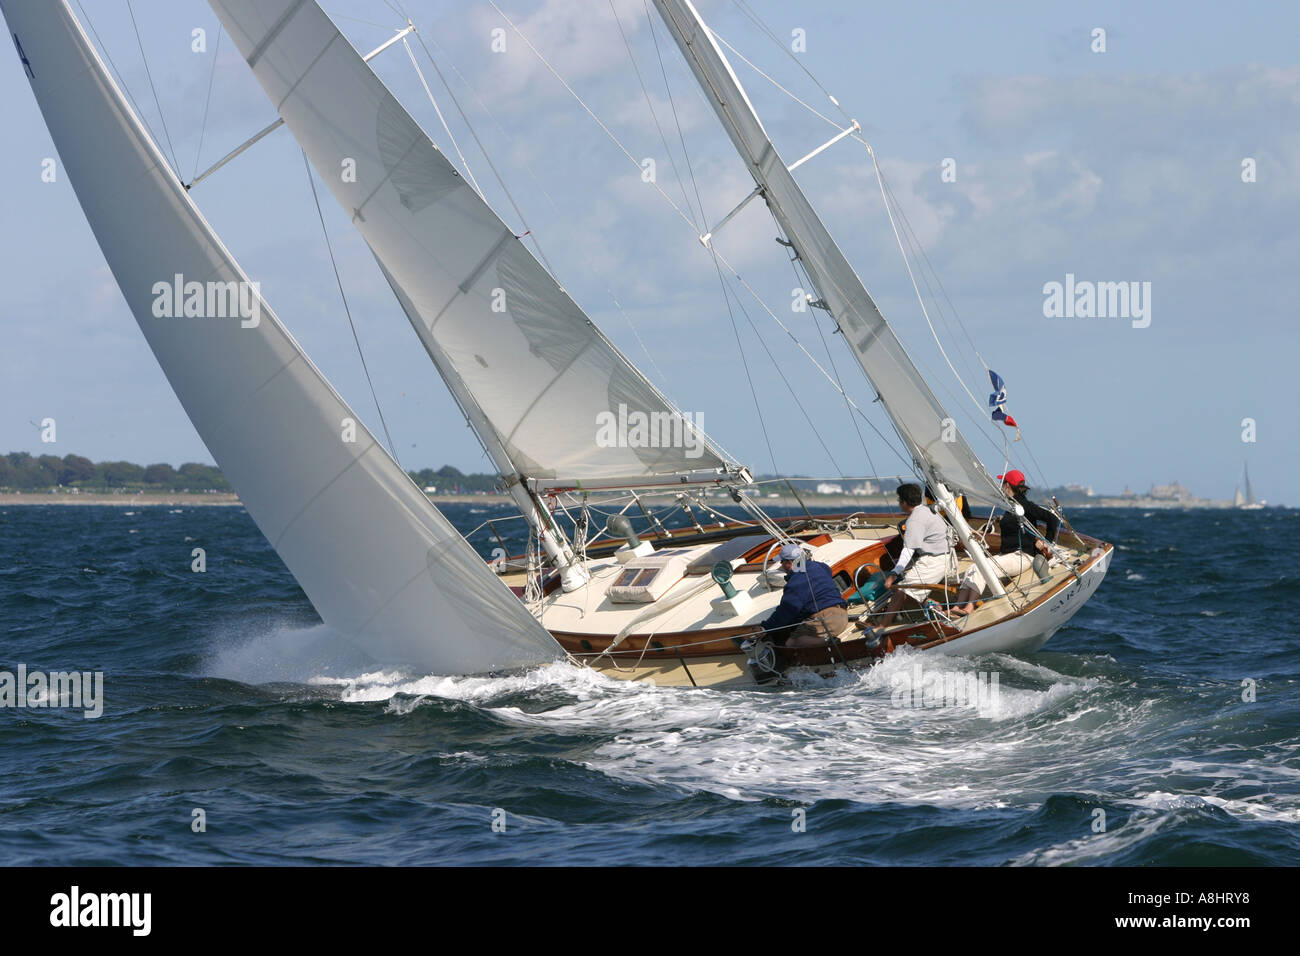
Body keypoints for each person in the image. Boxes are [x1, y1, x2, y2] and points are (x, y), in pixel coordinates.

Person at [951, 469, 1059, 616]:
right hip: (1010, 555)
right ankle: (957, 607)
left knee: (982, 569)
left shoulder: (1024, 506)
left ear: (1008, 486)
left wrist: (1048, 543)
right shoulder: (1012, 506)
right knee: (972, 569)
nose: (1001, 486)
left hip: (1022, 556)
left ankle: (969, 608)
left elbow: (1052, 519)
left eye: (1002, 484)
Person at [858, 483, 952, 643]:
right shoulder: (928, 510)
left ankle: (880, 627)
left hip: (934, 561)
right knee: (910, 589)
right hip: (944, 558)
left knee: (901, 591)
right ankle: (935, 606)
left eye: (899, 500)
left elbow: (908, 550)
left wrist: (893, 575)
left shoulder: (914, 521)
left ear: (904, 503)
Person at [747, 542, 849, 648]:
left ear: (790, 562)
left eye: (782, 562)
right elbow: (827, 570)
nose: (782, 566)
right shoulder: (820, 566)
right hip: (843, 615)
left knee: (791, 643)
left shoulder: (795, 583)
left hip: (827, 622)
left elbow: (786, 611)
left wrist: (765, 628)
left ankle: (828, 642)